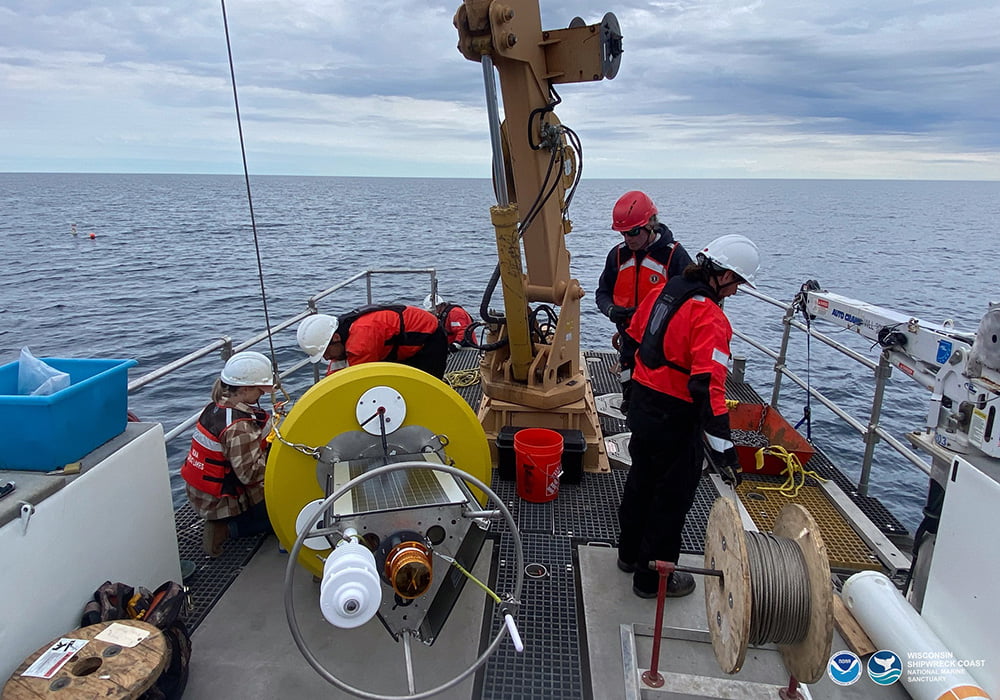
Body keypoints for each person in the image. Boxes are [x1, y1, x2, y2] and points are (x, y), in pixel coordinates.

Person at [617, 234, 760, 599]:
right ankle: (652, 581)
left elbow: (631, 339)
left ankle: (629, 556)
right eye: (737, 283)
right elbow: (707, 390)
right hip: (675, 420)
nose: (736, 292)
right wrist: (726, 453)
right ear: (724, 275)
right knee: (670, 502)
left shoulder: (664, 292)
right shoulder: (710, 318)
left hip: (644, 409)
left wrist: (630, 390)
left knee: (640, 481)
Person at [595, 190, 692, 415]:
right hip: (629, 337)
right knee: (630, 394)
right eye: (623, 234)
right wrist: (611, 310)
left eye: (633, 232)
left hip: (661, 345)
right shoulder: (617, 256)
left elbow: (692, 301)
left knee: (657, 402)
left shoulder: (674, 257)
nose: (628, 239)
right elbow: (602, 292)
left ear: (650, 225)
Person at [182, 350, 276, 558]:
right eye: (259, 390)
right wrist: (279, 459)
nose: (262, 395)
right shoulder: (239, 426)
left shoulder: (215, 408)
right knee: (285, 516)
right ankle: (226, 529)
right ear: (243, 389)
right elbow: (250, 474)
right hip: (220, 501)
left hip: (201, 492)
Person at [297, 304, 448, 379]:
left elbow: (360, 382)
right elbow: (336, 373)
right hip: (401, 341)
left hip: (429, 339)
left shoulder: (361, 342)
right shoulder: (341, 334)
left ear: (335, 338)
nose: (326, 358)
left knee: (425, 387)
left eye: (325, 352)